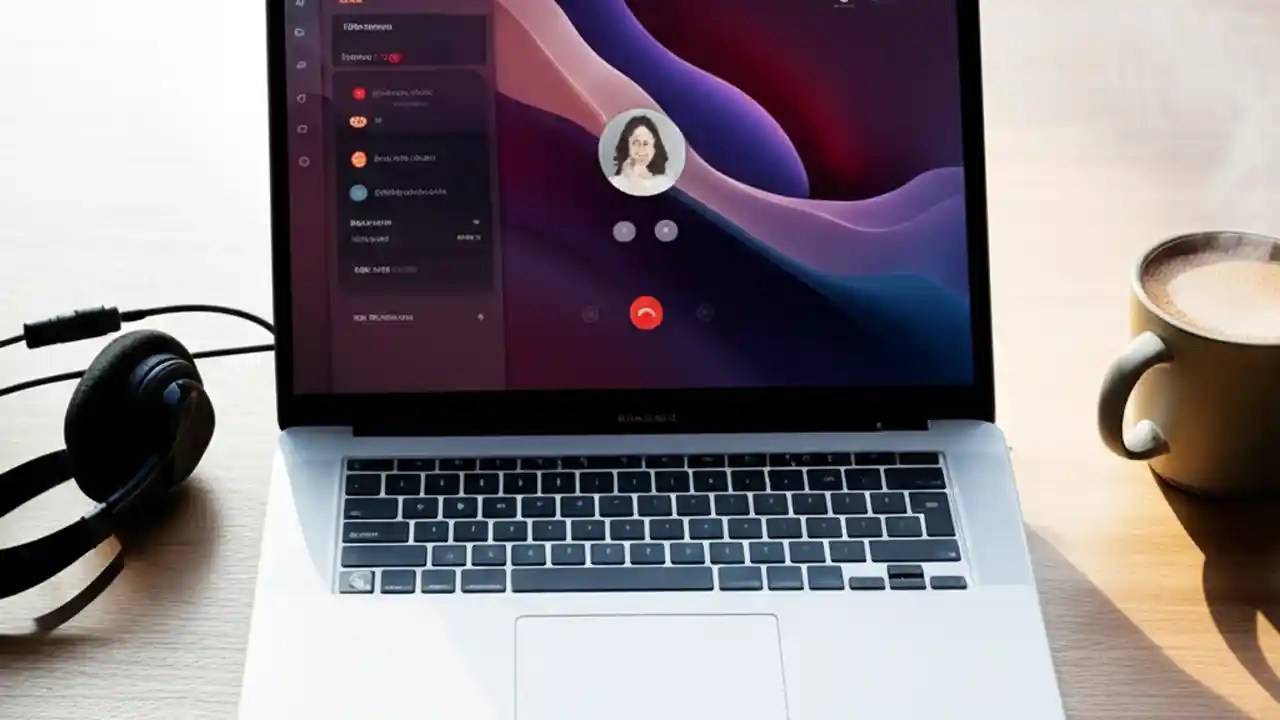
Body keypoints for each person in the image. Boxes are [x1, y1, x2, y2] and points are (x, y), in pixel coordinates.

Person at [608, 114, 676, 197]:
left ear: (655, 148)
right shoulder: (614, 183)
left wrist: (634, 179)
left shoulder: (666, 184)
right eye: (636, 143)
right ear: (626, 146)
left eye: (646, 143)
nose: (641, 149)